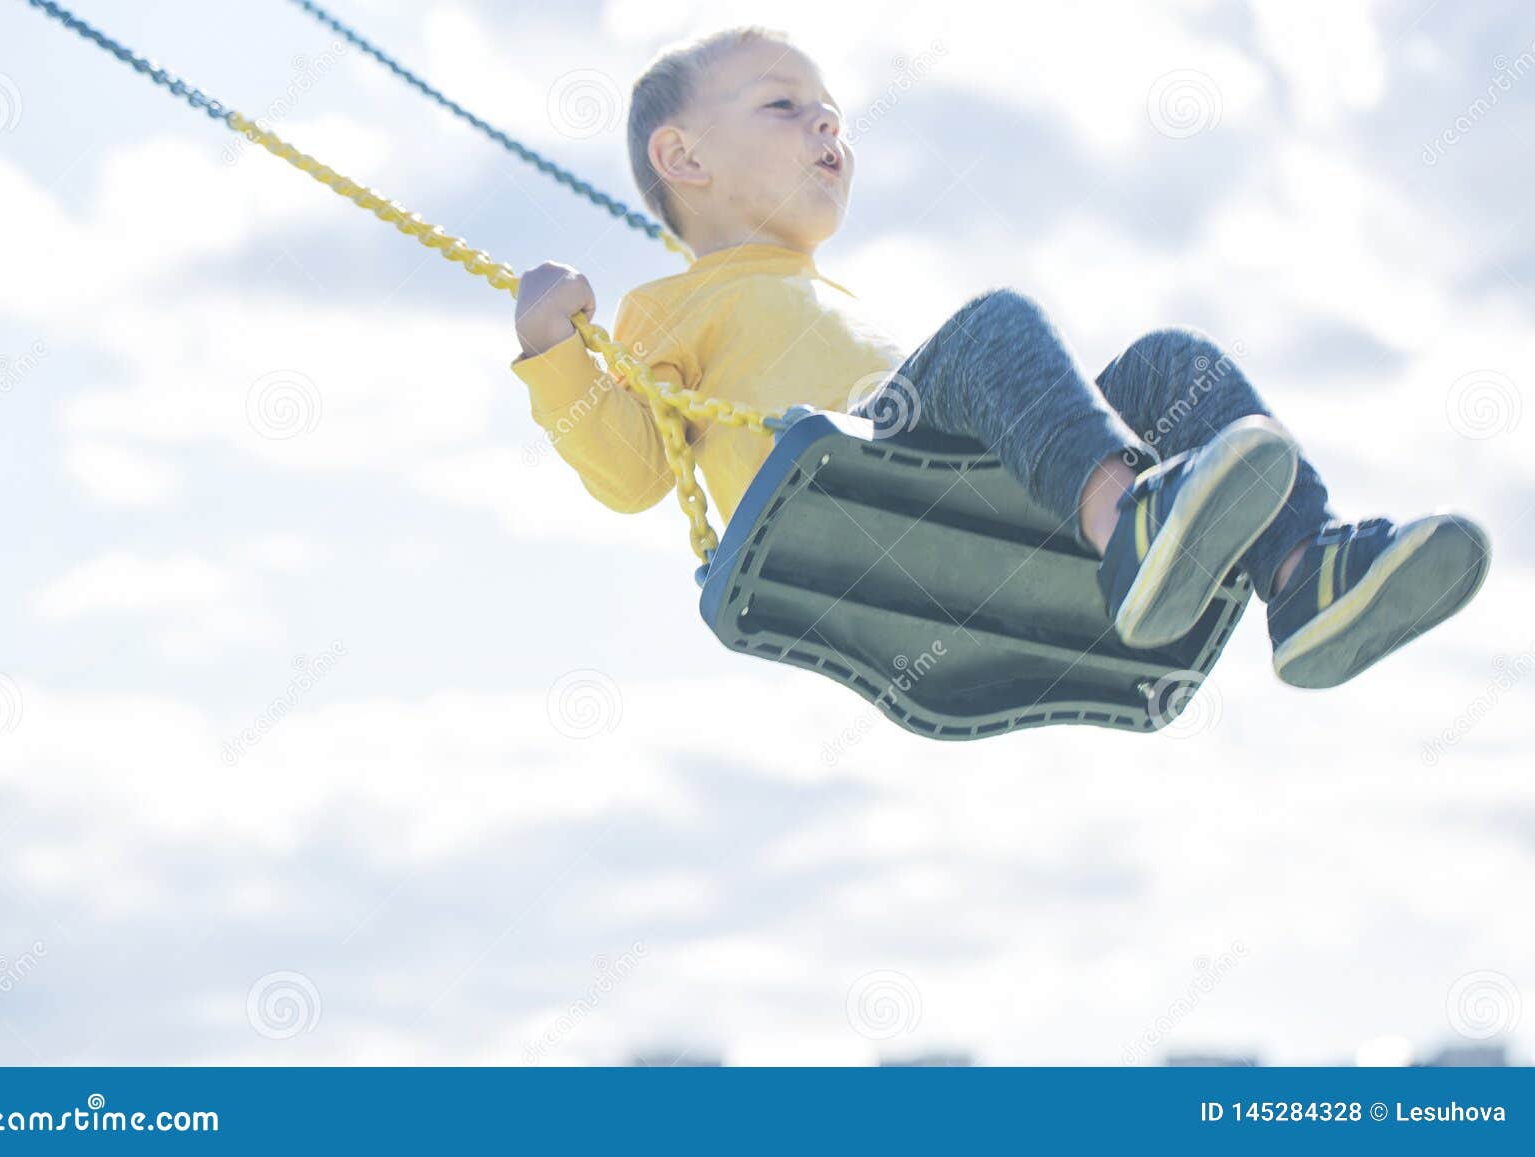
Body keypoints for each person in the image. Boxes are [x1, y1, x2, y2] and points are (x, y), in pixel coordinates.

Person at [510, 26, 1490, 689]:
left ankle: (1302, 574)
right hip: (858, 498)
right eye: (782, 106)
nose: (827, 125)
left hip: (971, 497)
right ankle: (1130, 523)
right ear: (685, 159)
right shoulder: (667, 309)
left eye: (833, 114)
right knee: (991, 329)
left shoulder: (810, 292)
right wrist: (553, 344)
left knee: (1167, 364)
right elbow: (636, 471)